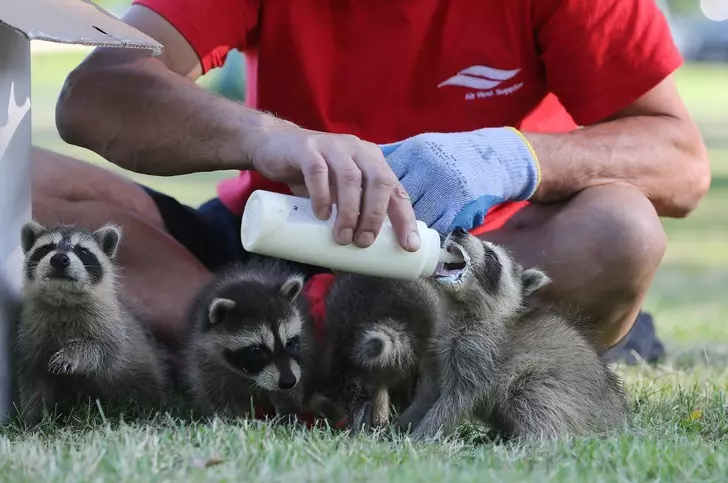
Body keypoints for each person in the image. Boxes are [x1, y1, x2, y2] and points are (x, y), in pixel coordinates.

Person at [37, 0, 709, 361]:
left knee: (618, 230)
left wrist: (505, 158)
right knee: (24, 184)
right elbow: (96, 94)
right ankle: (272, 356)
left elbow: (678, 157)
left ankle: (269, 363)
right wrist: (272, 139)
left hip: (464, 271)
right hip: (271, 250)